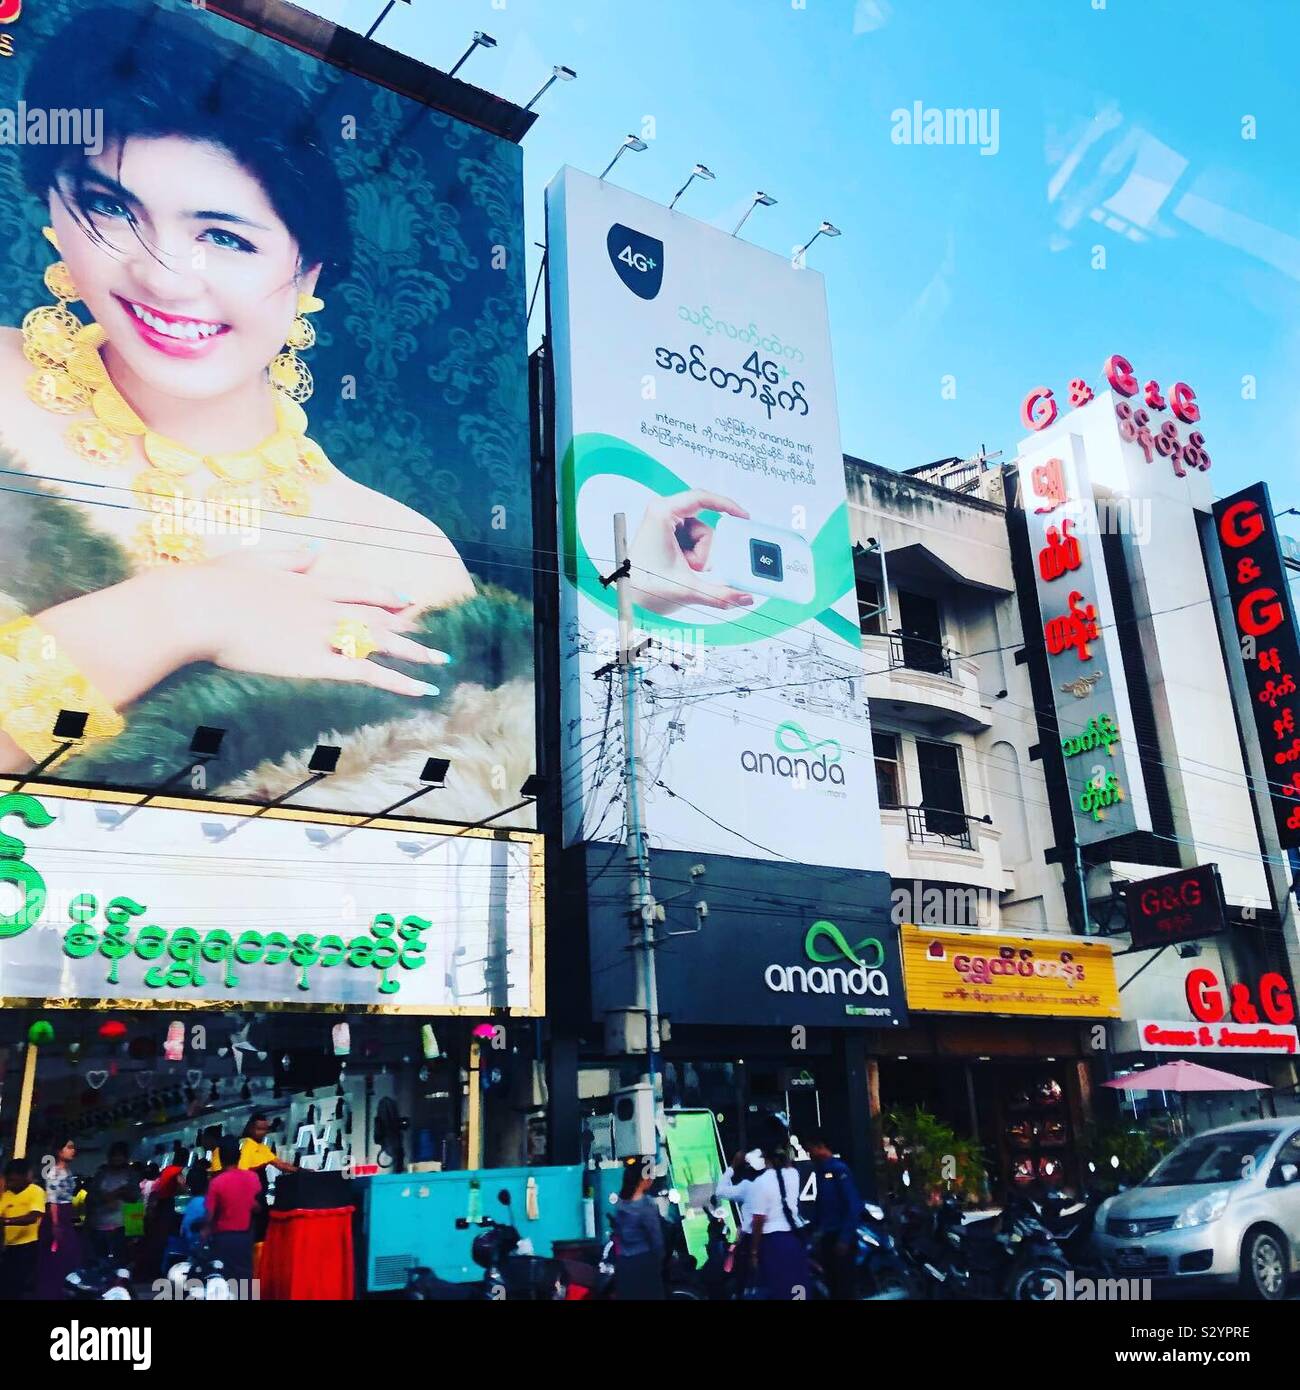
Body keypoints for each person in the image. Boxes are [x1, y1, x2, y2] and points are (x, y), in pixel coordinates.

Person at [0, 6, 471, 784]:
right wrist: (185, 612)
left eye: (225, 237)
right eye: (112, 208)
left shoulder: (403, 552)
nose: (162, 278)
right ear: (52, 205)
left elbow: (456, 827)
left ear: (309, 271)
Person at [804, 1128, 864, 1300]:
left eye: (810, 1150)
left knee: (845, 1288)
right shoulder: (821, 1172)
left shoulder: (839, 1169)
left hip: (841, 1239)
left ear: (820, 1147)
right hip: (827, 1238)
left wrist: (845, 1239)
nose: (809, 1155)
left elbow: (854, 1206)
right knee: (833, 1287)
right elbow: (821, 1206)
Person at [748, 1142, 810, 1302]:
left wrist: (754, 1251)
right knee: (798, 1285)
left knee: (779, 1287)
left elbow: (758, 1220)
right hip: (794, 1237)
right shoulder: (793, 1174)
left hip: (773, 1242)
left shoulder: (761, 1182)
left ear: (765, 1158)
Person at [205, 1138, 260, 1282]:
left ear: (221, 1158)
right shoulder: (253, 1178)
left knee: (224, 1278)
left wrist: (203, 1235)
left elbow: (209, 1215)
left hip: (223, 1238)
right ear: (239, 1156)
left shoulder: (216, 1183)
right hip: (246, 1236)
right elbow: (257, 1207)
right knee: (245, 1278)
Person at [35, 1137, 84, 1299]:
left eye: (73, 1147)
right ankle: (50, 1293)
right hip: (56, 1218)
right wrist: (56, 1225)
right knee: (55, 1257)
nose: (72, 1150)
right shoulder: (54, 1172)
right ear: (59, 1151)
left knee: (67, 1255)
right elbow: (52, 1200)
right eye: (69, 1147)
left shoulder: (67, 1171)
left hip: (65, 1215)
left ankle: (61, 1290)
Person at [610, 1159, 664, 1301]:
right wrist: (660, 1258)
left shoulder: (621, 1203)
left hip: (624, 1262)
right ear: (643, 1180)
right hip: (643, 1261)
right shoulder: (646, 1206)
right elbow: (656, 1237)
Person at [715, 1149, 763, 1295]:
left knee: (744, 1281)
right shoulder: (771, 1183)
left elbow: (720, 1191)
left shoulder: (747, 1187)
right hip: (770, 1237)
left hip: (750, 1240)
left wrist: (732, 1167)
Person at [0, 1158, 46, 1300]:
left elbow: (33, 1217)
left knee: (17, 1284)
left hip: (27, 1246)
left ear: (25, 1177)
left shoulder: (35, 1191)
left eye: (14, 1180)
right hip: (8, 1246)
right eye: (9, 1180)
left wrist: (6, 1221)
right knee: (5, 1283)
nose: (10, 1183)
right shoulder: (6, 1195)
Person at [85, 1141, 138, 1264]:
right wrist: (109, 1196)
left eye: (120, 1155)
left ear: (125, 1157)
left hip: (122, 1226)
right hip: (99, 1225)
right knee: (100, 1261)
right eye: (114, 1155)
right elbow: (91, 1198)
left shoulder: (131, 1175)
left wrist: (135, 1231)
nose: (117, 1158)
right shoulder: (101, 1174)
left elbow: (135, 1200)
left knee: (121, 1262)